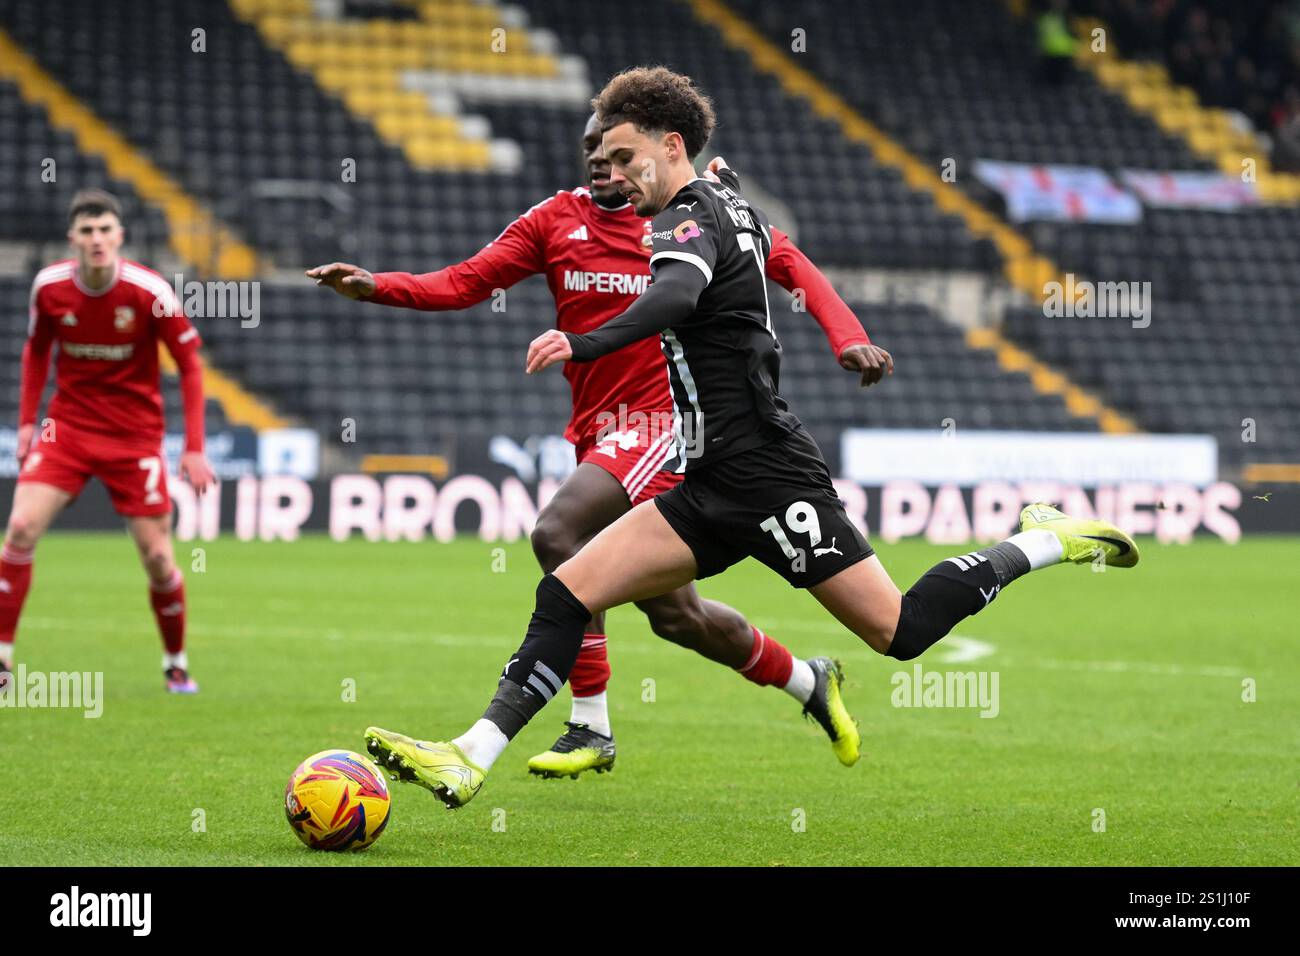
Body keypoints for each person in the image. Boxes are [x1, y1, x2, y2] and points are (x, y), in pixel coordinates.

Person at [363, 66, 1139, 811]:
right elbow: (746, 264)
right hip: (703, 485)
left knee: (897, 632)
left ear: (673, 145)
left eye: (626, 156)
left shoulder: (689, 217)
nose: (615, 172)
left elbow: (674, 292)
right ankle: (471, 755)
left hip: (770, 475)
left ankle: (1044, 540)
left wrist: (585, 342)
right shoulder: (724, 204)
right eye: (603, 161)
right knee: (569, 586)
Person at [309, 113, 890, 775]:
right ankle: (809, 682)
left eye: (612, 149)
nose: (598, 161)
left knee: (558, 532)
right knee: (678, 617)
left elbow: (794, 266)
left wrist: (847, 336)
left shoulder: (692, 217)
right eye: (590, 148)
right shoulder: (553, 222)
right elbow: (468, 280)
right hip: (598, 430)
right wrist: (379, 286)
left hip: (667, 423)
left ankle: (587, 728)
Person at [0, 189, 214, 695]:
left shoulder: (149, 291)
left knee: (159, 558)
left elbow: (189, 365)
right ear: (73, 238)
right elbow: (36, 352)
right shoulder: (49, 288)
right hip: (67, 428)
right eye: (87, 231)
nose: (97, 239)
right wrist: (28, 423)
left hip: (134, 434)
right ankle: (3, 660)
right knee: (21, 526)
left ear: (119, 236)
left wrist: (195, 446)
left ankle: (175, 663)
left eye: (105, 230)